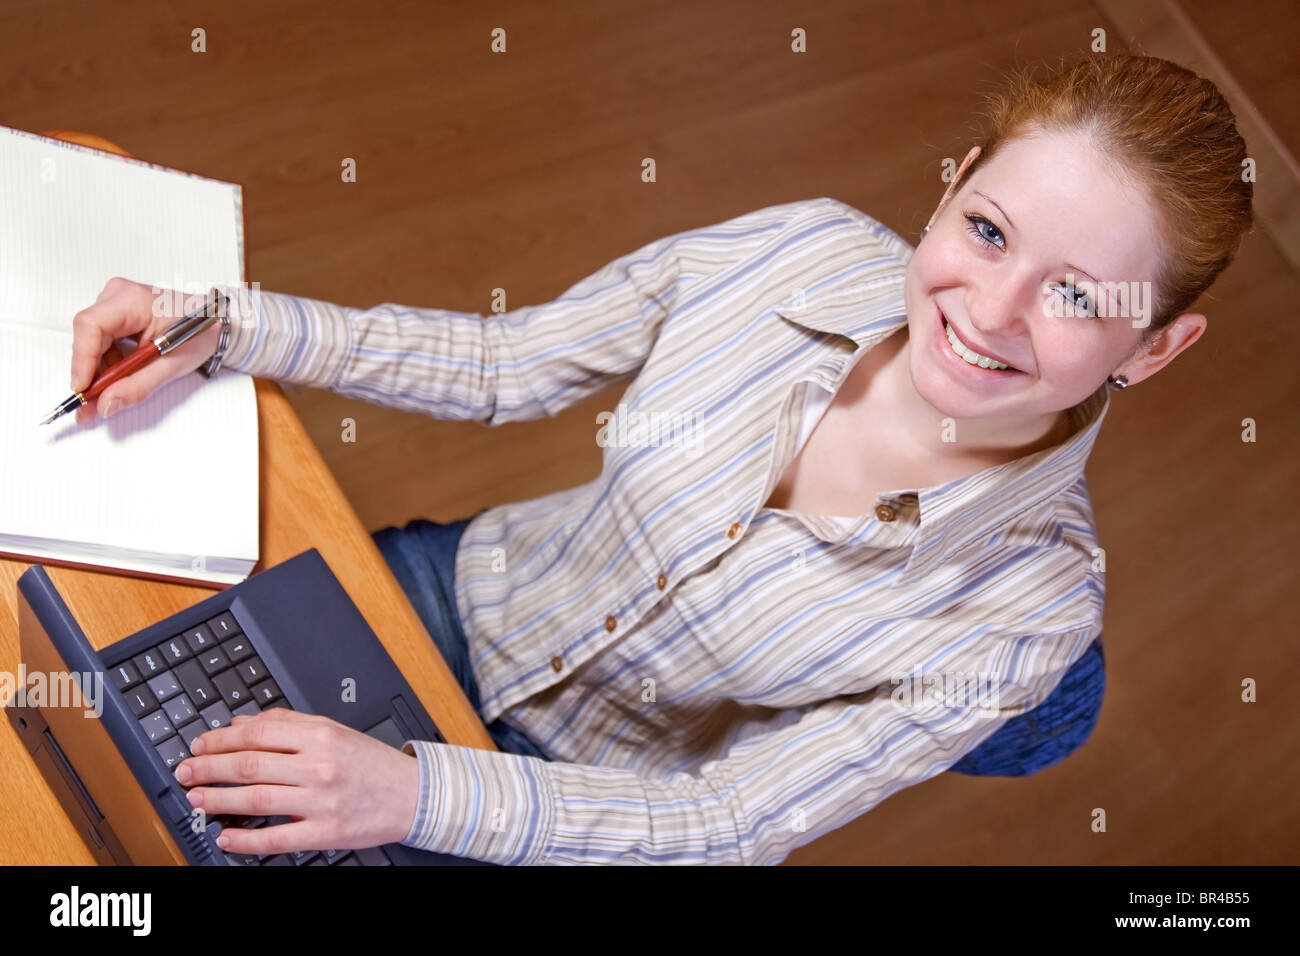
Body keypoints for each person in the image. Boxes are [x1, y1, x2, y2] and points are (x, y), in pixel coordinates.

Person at [67, 54, 1253, 864]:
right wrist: (233, 324)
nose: (989, 310)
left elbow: (727, 821)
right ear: (948, 188)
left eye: (1078, 294)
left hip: (597, 797)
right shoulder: (797, 249)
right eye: (987, 231)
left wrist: (412, 789)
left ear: (1152, 348)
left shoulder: (1026, 618)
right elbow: (503, 365)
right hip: (453, 593)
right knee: (97, 709)